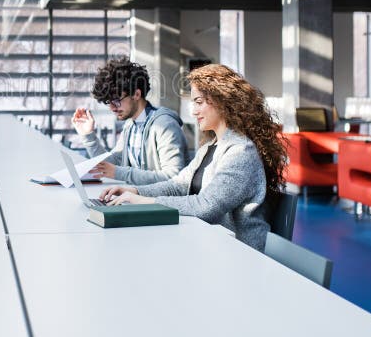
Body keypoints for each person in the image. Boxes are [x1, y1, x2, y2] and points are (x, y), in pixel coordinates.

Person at [99, 64, 287, 251]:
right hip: (213, 245)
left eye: (199, 102)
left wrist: (147, 202)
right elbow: (177, 185)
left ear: (221, 101)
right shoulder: (209, 148)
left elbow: (206, 206)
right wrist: (135, 191)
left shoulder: (241, 152)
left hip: (240, 254)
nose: (194, 111)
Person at [72, 57, 188, 185]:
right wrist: (88, 136)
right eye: (108, 102)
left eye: (116, 100)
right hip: (137, 197)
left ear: (136, 94)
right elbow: (113, 163)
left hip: (159, 202)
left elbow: (174, 177)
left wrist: (120, 173)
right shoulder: (131, 125)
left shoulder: (164, 125)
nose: (112, 108)